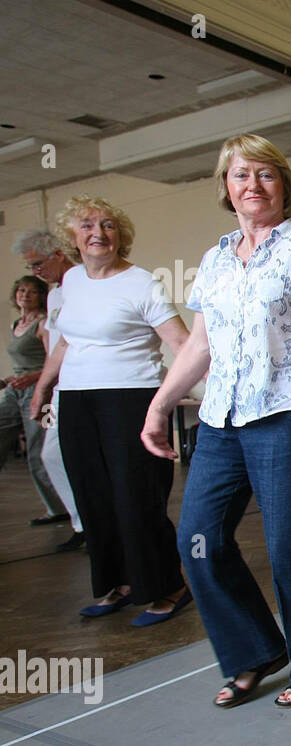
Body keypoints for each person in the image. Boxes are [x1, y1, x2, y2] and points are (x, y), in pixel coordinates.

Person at [140, 133, 291, 708]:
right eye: (241, 175)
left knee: (287, 542)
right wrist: (161, 403)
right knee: (199, 542)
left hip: (288, 411)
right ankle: (253, 651)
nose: (253, 185)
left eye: (265, 174)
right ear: (226, 187)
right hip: (219, 419)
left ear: (283, 185)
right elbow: (199, 346)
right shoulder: (214, 259)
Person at [28, 197, 190, 626]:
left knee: (136, 498)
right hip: (78, 399)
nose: (98, 233)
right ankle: (118, 583)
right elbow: (64, 341)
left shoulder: (141, 283)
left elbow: (181, 343)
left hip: (131, 398)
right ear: (73, 237)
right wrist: (44, 386)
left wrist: (204, 395)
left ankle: (168, 587)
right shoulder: (69, 285)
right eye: (87, 225)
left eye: (108, 225)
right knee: (93, 497)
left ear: (121, 236)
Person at [13, 230, 84, 551]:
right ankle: (82, 524)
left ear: (58, 253)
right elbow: (55, 344)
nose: (35, 272)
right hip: (60, 386)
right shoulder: (55, 295)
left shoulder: (85, 282)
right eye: (31, 267)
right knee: (51, 455)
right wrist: (44, 384)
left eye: (38, 263)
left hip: (88, 383)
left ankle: (99, 525)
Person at [1, 275, 68, 524]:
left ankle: (59, 508)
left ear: (41, 296)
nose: (25, 295)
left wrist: (34, 379)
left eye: (31, 292)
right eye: (21, 291)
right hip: (14, 390)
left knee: (40, 452)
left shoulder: (42, 324)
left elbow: (55, 360)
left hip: (40, 389)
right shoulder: (16, 324)